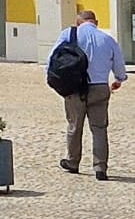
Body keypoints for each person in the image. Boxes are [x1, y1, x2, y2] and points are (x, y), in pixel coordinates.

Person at [50, 9, 126, 180]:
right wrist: (119, 79)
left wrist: (57, 81)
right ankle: (100, 167)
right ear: (96, 22)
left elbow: (52, 58)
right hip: (100, 87)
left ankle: (72, 161)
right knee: (99, 128)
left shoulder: (69, 35)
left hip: (75, 87)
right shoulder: (107, 39)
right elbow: (119, 64)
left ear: (78, 23)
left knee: (74, 126)